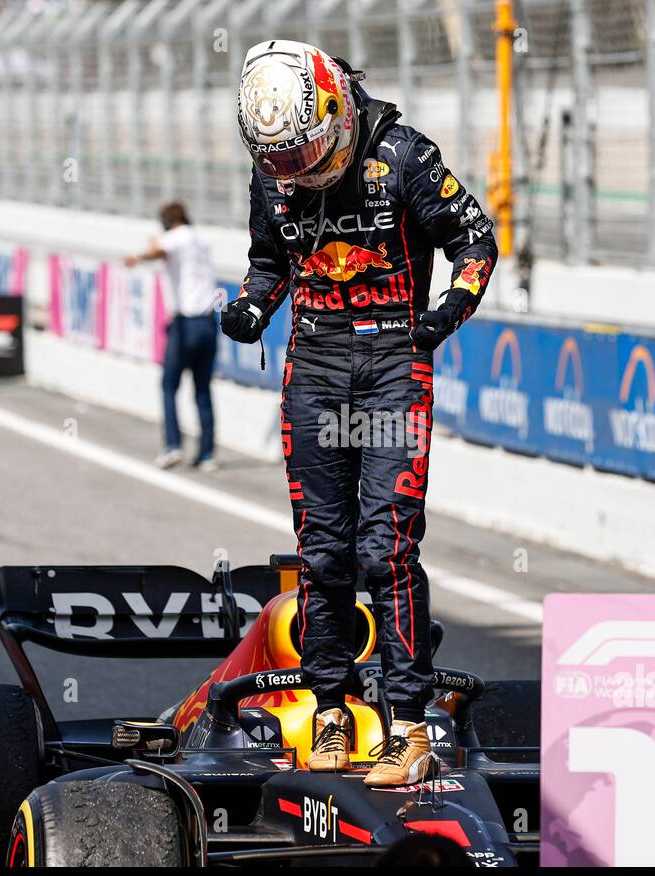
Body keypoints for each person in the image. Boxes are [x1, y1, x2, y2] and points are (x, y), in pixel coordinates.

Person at [222, 40, 498, 786]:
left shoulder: (404, 156)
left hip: (390, 373)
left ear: (336, 106)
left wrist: (446, 315)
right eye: (280, 160)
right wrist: (251, 305)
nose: (296, 171)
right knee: (322, 553)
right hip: (311, 370)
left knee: (387, 550)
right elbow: (268, 259)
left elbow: (476, 238)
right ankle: (332, 708)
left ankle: (409, 727)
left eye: (305, 152)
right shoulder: (272, 172)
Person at [126, 201, 221, 471]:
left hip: (184, 323)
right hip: (207, 321)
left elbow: (160, 250)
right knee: (202, 390)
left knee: (169, 385)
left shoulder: (173, 238)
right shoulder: (201, 239)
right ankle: (207, 454)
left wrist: (138, 257)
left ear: (167, 222)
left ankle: (172, 445)